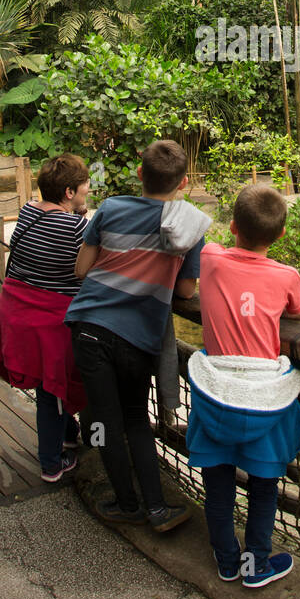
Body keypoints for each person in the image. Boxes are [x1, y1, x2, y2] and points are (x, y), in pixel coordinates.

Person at [186, 183, 300, 589]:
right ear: (281, 235)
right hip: (265, 401)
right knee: (264, 488)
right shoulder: (288, 275)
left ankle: (228, 561)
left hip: (217, 396)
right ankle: (256, 566)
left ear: (232, 226)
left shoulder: (211, 258)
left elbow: (198, 235)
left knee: (217, 486)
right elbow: (295, 310)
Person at [67, 139, 210, 532]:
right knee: (135, 421)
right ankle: (159, 509)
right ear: (183, 183)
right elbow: (184, 292)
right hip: (138, 341)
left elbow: (82, 270)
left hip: (91, 330)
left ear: (139, 173)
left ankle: (126, 504)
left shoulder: (111, 208)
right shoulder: (191, 227)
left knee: (105, 424)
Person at [0, 154, 90, 482]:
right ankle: (51, 462)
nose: (89, 188)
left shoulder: (28, 211)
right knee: (53, 389)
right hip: (47, 322)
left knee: (50, 389)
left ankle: (69, 432)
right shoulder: (77, 228)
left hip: (15, 312)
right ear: (70, 192)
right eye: (85, 185)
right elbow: (85, 270)